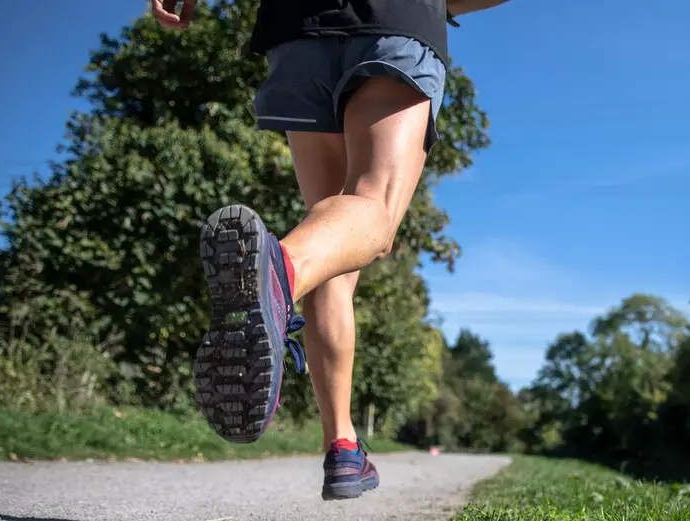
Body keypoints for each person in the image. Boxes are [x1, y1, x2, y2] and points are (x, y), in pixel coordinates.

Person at [149, 0, 509, 501]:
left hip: (297, 28)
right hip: (393, 22)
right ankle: (278, 277)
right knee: (372, 208)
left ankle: (342, 443)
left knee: (330, 237)